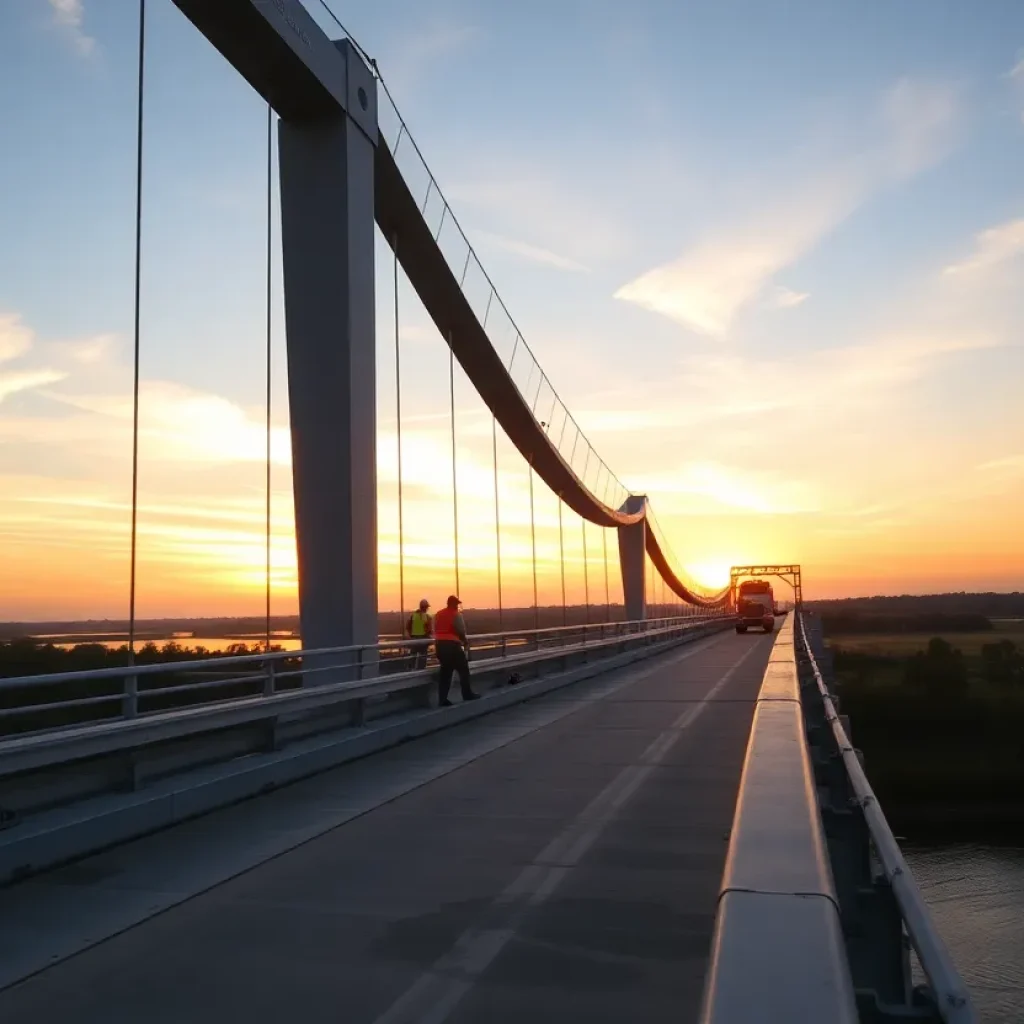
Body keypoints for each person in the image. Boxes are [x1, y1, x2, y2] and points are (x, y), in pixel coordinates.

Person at [433, 594, 479, 705]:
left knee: (446, 673)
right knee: (463, 670)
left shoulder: (438, 614)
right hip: (452, 646)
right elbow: (461, 631)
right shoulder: (456, 615)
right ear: (454, 604)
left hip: (440, 646)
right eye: (457, 604)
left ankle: (442, 700)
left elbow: (434, 628)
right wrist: (465, 642)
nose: (458, 606)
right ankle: (467, 694)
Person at [406, 598, 432, 670]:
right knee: (422, 658)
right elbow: (428, 629)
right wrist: (429, 637)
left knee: (413, 656)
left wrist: (411, 635)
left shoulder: (413, 615)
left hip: (414, 639)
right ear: (426, 607)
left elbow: (408, 627)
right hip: (423, 640)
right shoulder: (427, 617)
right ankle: (420, 670)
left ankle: (410, 669)